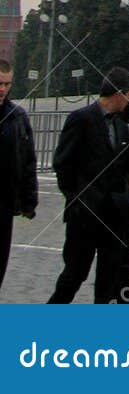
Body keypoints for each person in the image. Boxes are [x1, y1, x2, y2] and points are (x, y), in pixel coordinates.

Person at [48, 66, 129, 304]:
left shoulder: (121, 126)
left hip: (113, 217)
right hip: (85, 215)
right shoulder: (81, 119)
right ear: (119, 93)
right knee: (74, 275)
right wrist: (78, 197)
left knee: (108, 281)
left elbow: (128, 168)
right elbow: (63, 163)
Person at [0, 60, 37, 295]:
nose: (2, 89)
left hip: (4, 203)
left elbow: (28, 160)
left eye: (7, 84)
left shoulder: (17, 116)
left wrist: (29, 199)